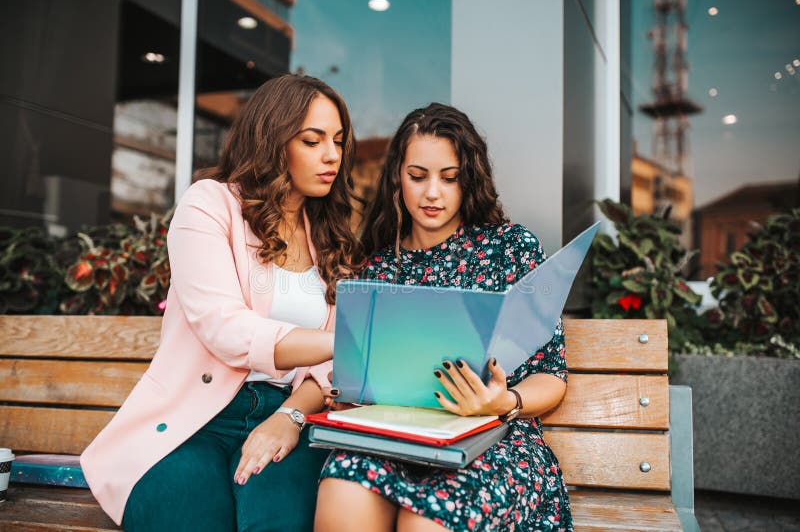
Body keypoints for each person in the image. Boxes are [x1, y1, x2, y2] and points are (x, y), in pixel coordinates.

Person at [80, 74, 363, 531]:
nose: (332, 155)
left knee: (278, 521)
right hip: (193, 419)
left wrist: (290, 417)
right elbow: (226, 330)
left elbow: (326, 372)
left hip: (287, 412)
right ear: (273, 141)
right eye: (312, 141)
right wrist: (345, 340)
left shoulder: (330, 233)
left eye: (338, 141)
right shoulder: (209, 205)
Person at [315, 103, 573, 532]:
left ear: (468, 179)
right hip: (396, 434)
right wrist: (350, 397)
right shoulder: (377, 266)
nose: (432, 193)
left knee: (427, 518)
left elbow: (552, 375)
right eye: (418, 176)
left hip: (494, 440)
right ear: (398, 176)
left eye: (449, 178)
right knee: (343, 487)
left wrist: (503, 403)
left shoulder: (511, 248)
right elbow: (360, 378)